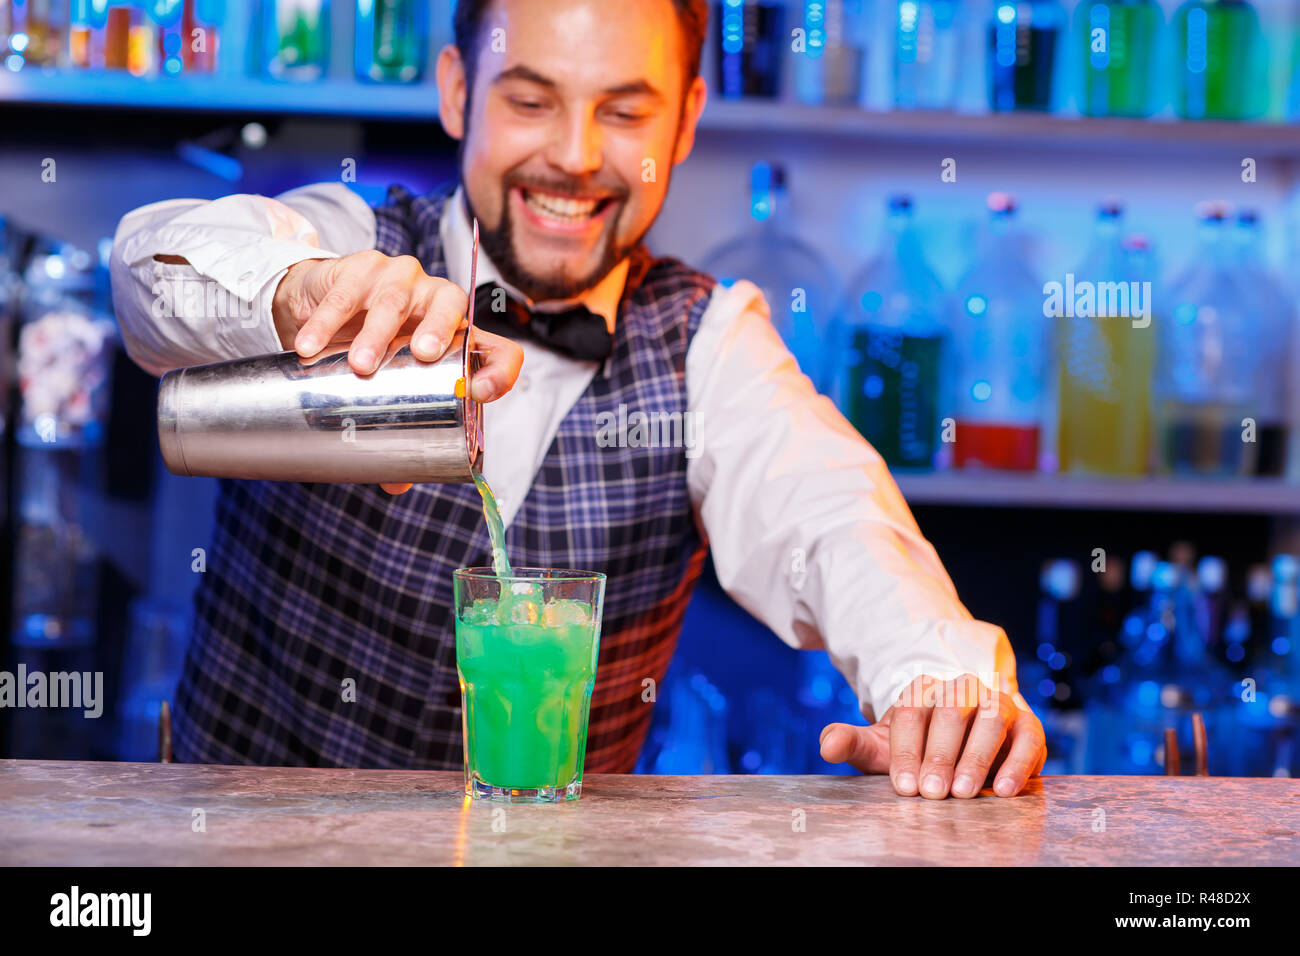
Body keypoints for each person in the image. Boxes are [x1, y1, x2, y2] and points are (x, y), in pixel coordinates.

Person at [111, 0, 1046, 799]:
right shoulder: (343, 239)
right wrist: (295, 294)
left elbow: (838, 525)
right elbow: (152, 270)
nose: (574, 155)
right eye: (529, 99)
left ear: (685, 121)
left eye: (626, 111)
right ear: (455, 92)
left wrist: (942, 688)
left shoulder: (709, 347)